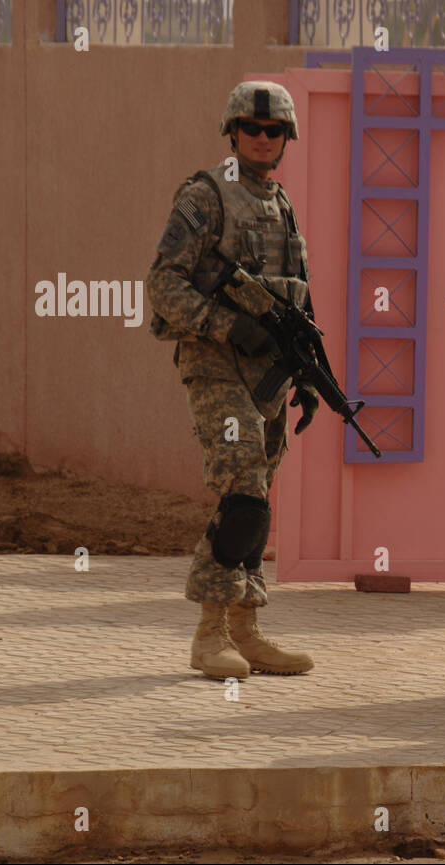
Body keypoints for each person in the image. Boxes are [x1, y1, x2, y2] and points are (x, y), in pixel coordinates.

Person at [146, 81, 318, 680]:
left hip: (268, 373)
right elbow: (163, 282)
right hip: (215, 362)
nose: (263, 139)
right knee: (243, 488)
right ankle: (209, 635)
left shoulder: (281, 205)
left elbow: (296, 296)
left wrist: (310, 372)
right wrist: (226, 326)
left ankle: (246, 630)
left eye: (274, 131)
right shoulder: (205, 196)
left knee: (258, 497)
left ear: (286, 139)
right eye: (252, 128)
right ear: (232, 131)